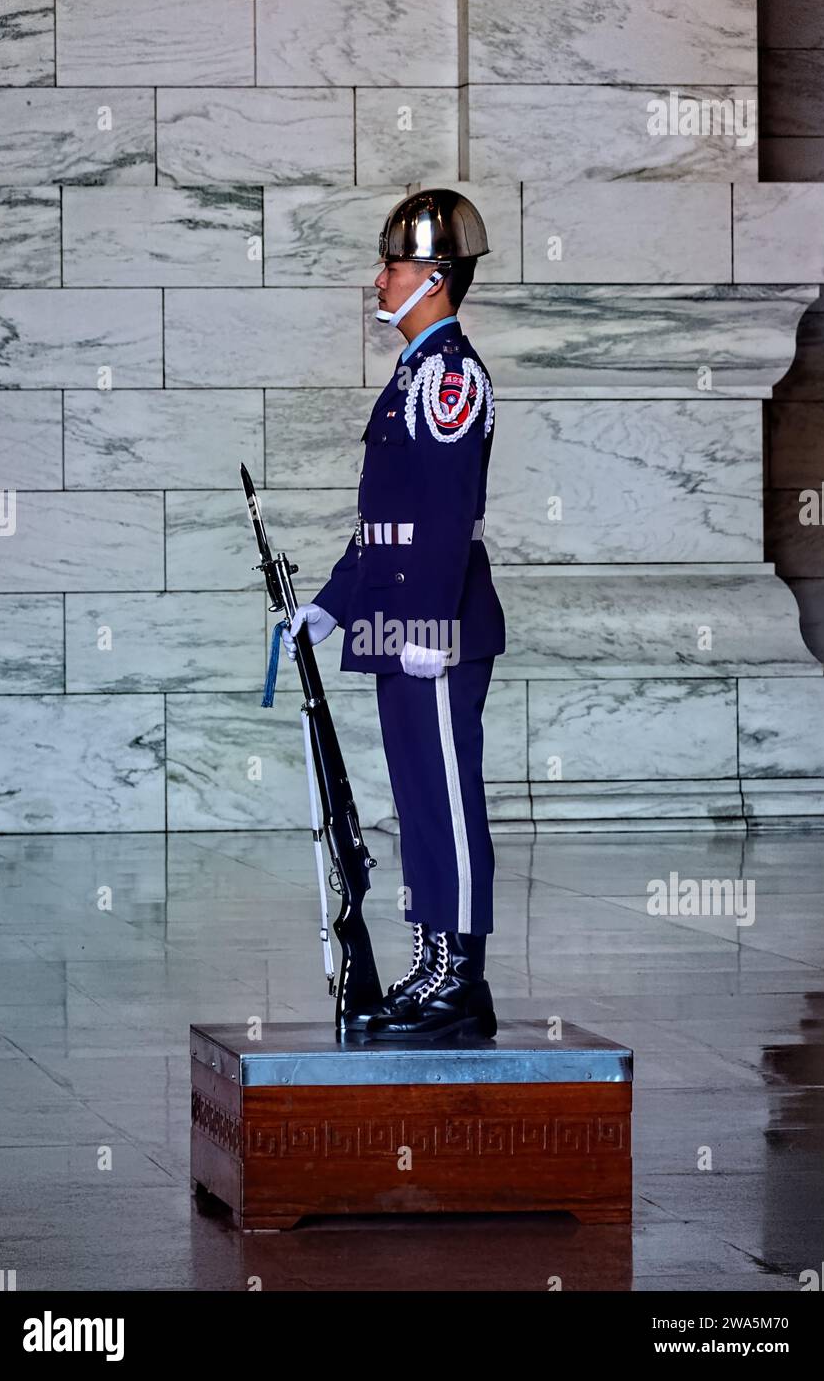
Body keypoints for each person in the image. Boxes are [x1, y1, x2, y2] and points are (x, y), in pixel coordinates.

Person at [283, 189, 505, 1040]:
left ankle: (462, 983)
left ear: (437, 280)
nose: (379, 280)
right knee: (415, 802)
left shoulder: (450, 378)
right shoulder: (414, 373)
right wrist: (333, 610)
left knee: (448, 803)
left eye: (394, 265)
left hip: (434, 638)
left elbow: (446, 523)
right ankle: (428, 968)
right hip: (398, 634)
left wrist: (423, 631)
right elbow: (387, 526)